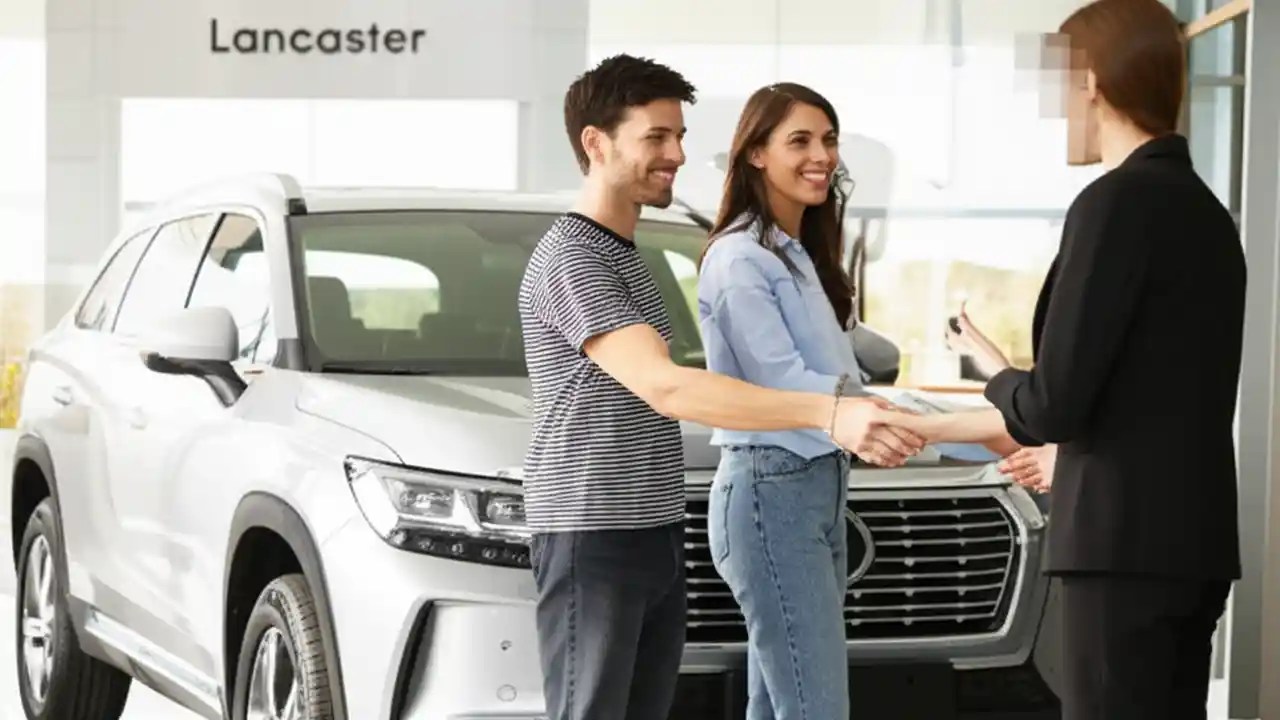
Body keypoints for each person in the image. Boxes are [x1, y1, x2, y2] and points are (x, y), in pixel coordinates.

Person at [517, 55, 926, 720]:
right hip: (592, 533)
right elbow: (668, 389)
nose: (677, 153)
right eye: (656, 136)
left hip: (651, 526)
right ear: (596, 143)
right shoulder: (574, 257)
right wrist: (829, 410)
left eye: (679, 136)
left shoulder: (625, 255)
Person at [890, 1, 1247, 717]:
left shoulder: (1115, 204)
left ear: (1088, 80)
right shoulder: (1204, 211)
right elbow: (1153, 391)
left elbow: (1055, 405)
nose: (1053, 109)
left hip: (1117, 547)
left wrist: (998, 379)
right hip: (1192, 545)